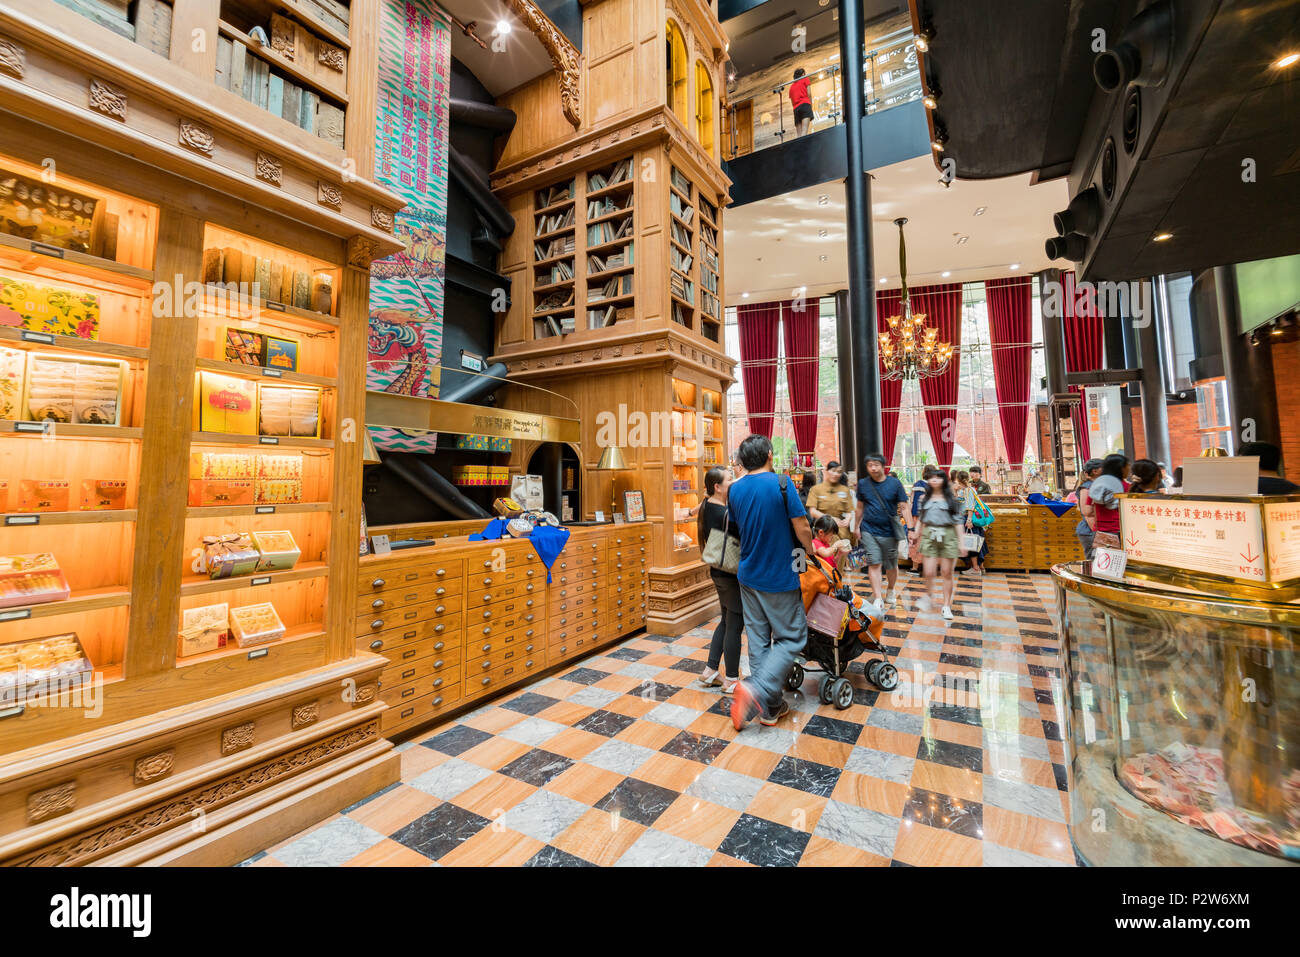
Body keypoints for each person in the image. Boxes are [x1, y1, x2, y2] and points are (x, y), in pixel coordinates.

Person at [726, 434, 815, 730]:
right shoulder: (782, 483)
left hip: (747, 573)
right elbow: (801, 526)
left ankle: (771, 707)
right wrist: (810, 551)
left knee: (759, 639)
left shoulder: (735, 490)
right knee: (792, 637)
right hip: (778, 573)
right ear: (768, 454)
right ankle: (758, 689)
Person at [696, 467, 742, 694]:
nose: (732, 483)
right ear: (717, 486)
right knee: (735, 623)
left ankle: (710, 670)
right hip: (729, 573)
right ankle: (731, 679)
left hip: (718, 571)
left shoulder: (707, 506)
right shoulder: (723, 513)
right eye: (729, 480)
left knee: (726, 619)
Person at [853, 452, 912, 607]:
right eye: (870, 465)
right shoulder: (863, 484)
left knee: (891, 565)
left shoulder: (894, 484)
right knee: (874, 563)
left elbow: (904, 507)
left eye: (876, 465)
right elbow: (859, 508)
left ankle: (891, 589)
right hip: (868, 530)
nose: (873, 468)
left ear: (883, 466)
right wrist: (856, 526)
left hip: (889, 532)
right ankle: (878, 597)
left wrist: (911, 528)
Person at [916, 469, 965, 620]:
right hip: (929, 536)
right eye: (932, 478)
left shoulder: (952, 500)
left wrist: (962, 543)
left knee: (946, 573)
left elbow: (958, 524)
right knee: (929, 572)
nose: (935, 480)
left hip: (948, 535)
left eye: (938, 477)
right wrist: (915, 534)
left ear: (944, 480)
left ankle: (946, 606)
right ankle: (930, 596)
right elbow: (921, 519)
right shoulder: (924, 498)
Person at [1088, 453, 1131, 550]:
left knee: (1105, 562)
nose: (1129, 469)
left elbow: (1089, 509)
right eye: (1127, 466)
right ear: (1120, 468)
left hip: (1102, 531)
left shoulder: (1097, 484)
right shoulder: (1124, 486)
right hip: (1120, 530)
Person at [805, 460, 854, 543]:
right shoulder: (816, 489)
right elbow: (813, 512)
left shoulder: (845, 490)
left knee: (842, 554)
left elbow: (849, 510)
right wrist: (831, 519)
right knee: (826, 554)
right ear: (826, 471)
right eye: (833, 471)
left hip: (842, 531)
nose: (835, 474)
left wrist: (848, 519)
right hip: (824, 530)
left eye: (838, 472)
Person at [906, 465, 940, 575]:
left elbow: (911, 503)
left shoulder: (917, 484)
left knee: (916, 541)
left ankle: (915, 568)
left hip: (917, 518)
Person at [954, 470, 988, 575]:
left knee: (971, 543)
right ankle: (981, 568)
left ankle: (975, 569)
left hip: (969, 520)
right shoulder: (967, 490)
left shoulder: (968, 490)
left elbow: (970, 506)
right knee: (977, 542)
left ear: (958, 479)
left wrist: (969, 520)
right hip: (971, 519)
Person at [1073, 458, 1103, 559]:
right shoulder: (1087, 487)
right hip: (1091, 531)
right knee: (1094, 561)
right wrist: (1098, 534)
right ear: (1095, 471)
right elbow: (1088, 513)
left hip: (1097, 531)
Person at [789, 68, 814, 137]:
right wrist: (811, 106)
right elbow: (809, 93)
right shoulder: (805, 79)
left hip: (796, 109)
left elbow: (792, 102)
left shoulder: (791, 87)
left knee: (799, 135)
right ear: (803, 74)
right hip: (805, 105)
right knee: (804, 131)